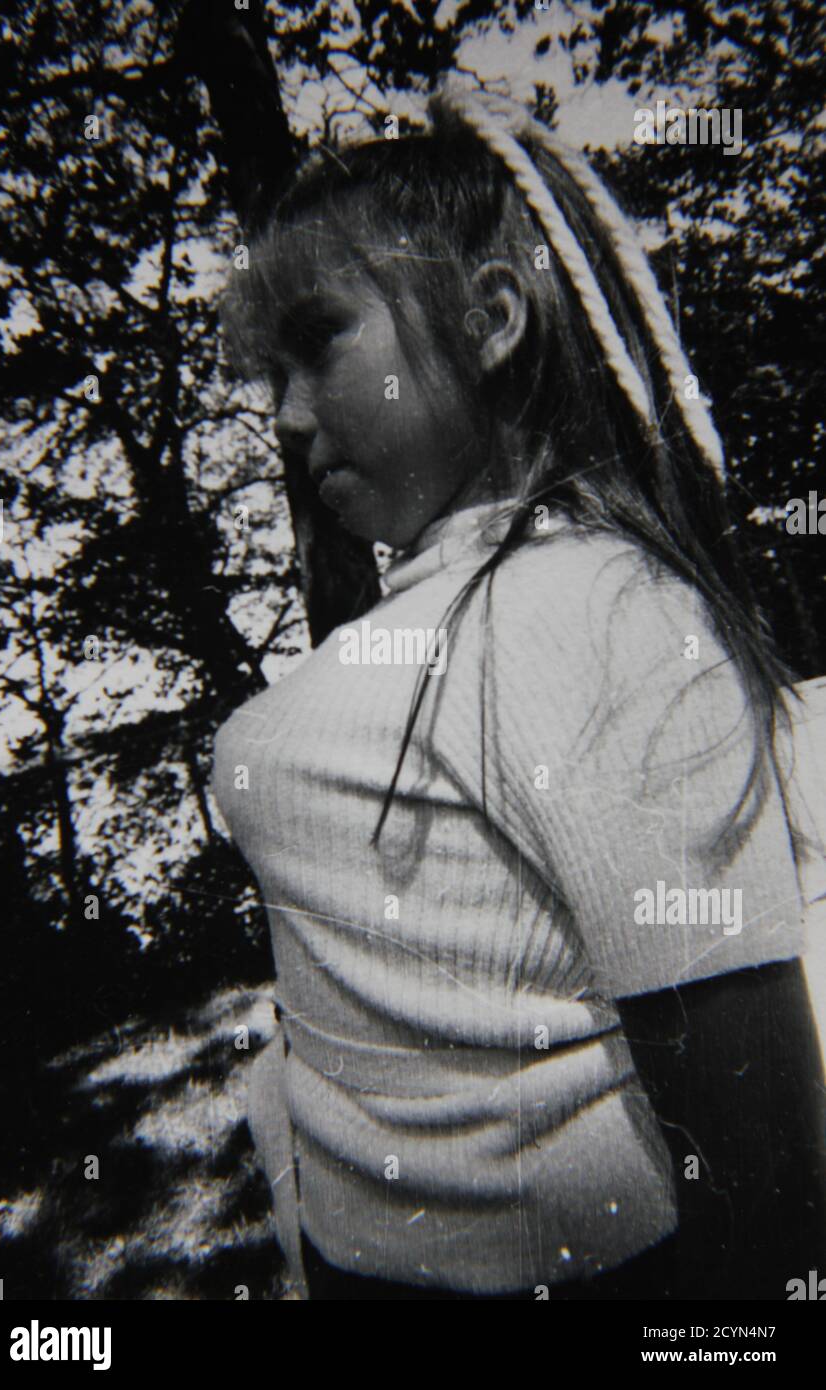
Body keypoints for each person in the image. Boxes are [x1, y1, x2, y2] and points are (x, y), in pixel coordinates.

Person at [212, 86, 826, 1301]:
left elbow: (763, 1177)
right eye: (267, 373)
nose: (284, 417)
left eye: (320, 340)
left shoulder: (589, 610)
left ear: (490, 321)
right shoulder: (460, 608)